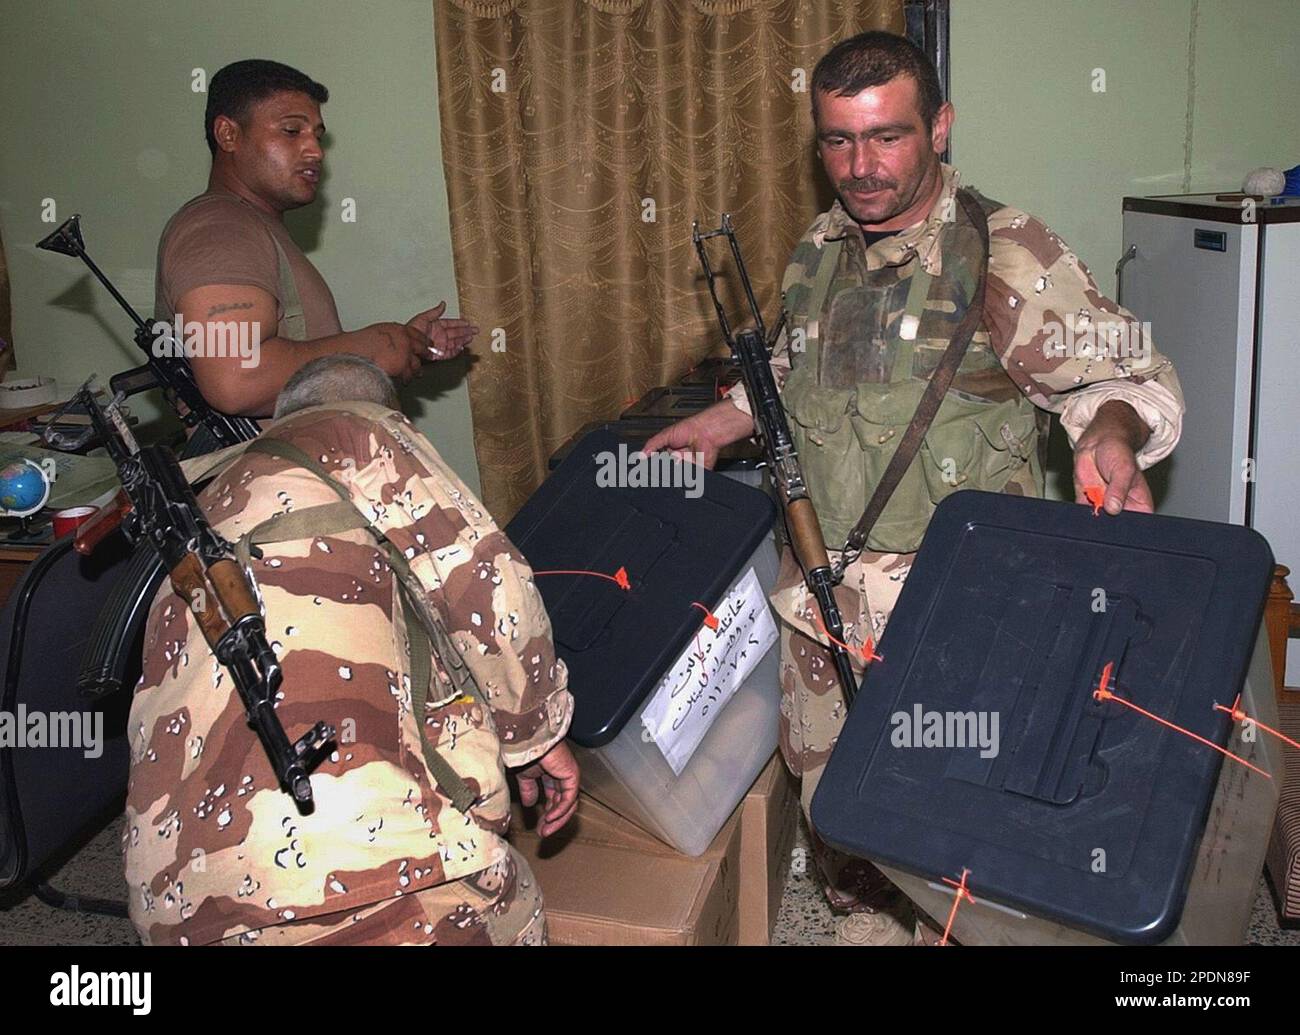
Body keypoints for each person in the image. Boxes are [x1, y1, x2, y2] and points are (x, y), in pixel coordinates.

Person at [646, 31, 1184, 945]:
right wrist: (725, 416)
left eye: (886, 137)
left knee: (956, 846)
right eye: (837, 141)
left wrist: (1109, 430)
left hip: (956, 614)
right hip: (820, 604)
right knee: (845, 824)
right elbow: (794, 365)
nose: (861, 168)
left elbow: (1132, 377)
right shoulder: (820, 247)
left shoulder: (1005, 253)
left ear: (940, 127)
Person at [123, 354, 579, 946]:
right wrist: (536, 736)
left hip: (178, 904)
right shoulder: (358, 429)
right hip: (365, 867)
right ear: (385, 410)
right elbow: (491, 591)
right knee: (508, 913)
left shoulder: (206, 499)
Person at [154, 59, 477, 420]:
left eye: (317, 136)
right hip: (273, 475)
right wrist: (370, 349)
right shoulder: (219, 225)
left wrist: (401, 346)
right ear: (229, 134)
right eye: (292, 131)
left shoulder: (254, 226)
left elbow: (298, 380)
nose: (316, 151)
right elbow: (236, 379)